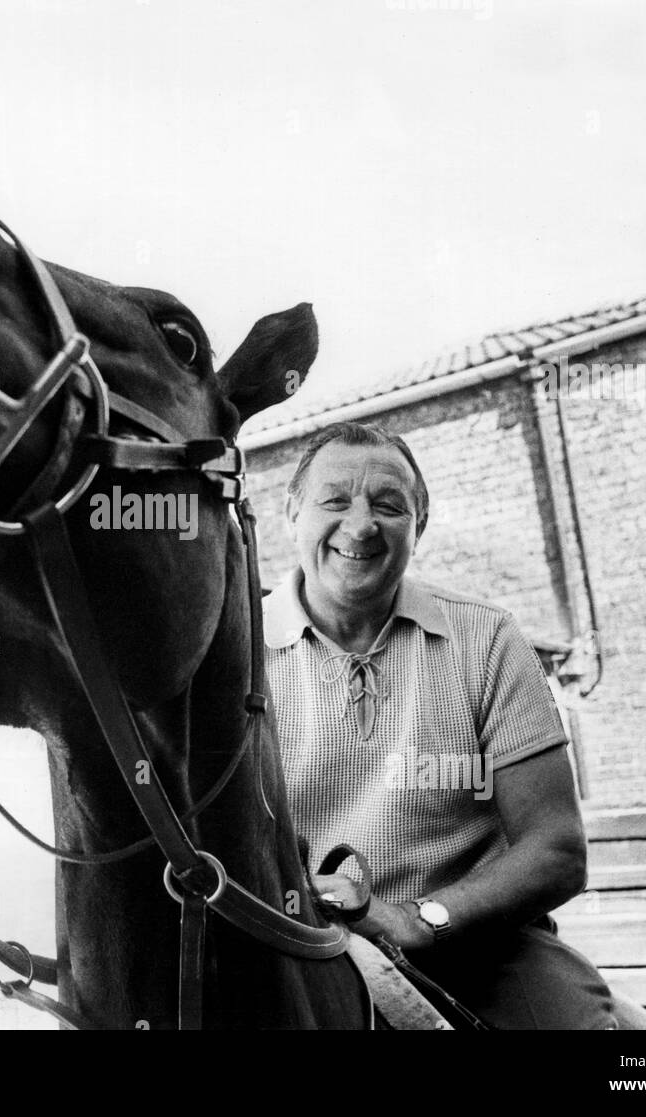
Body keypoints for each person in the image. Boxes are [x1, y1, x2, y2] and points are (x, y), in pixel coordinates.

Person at [263, 419, 619, 1029]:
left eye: (388, 505)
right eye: (333, 501)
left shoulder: (486, 637)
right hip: (295, 949)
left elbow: (556, 850)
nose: (360, 525)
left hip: (480, 944)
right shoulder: (236, 650)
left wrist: (418, 920)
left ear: (418, 527)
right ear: (292, 513)